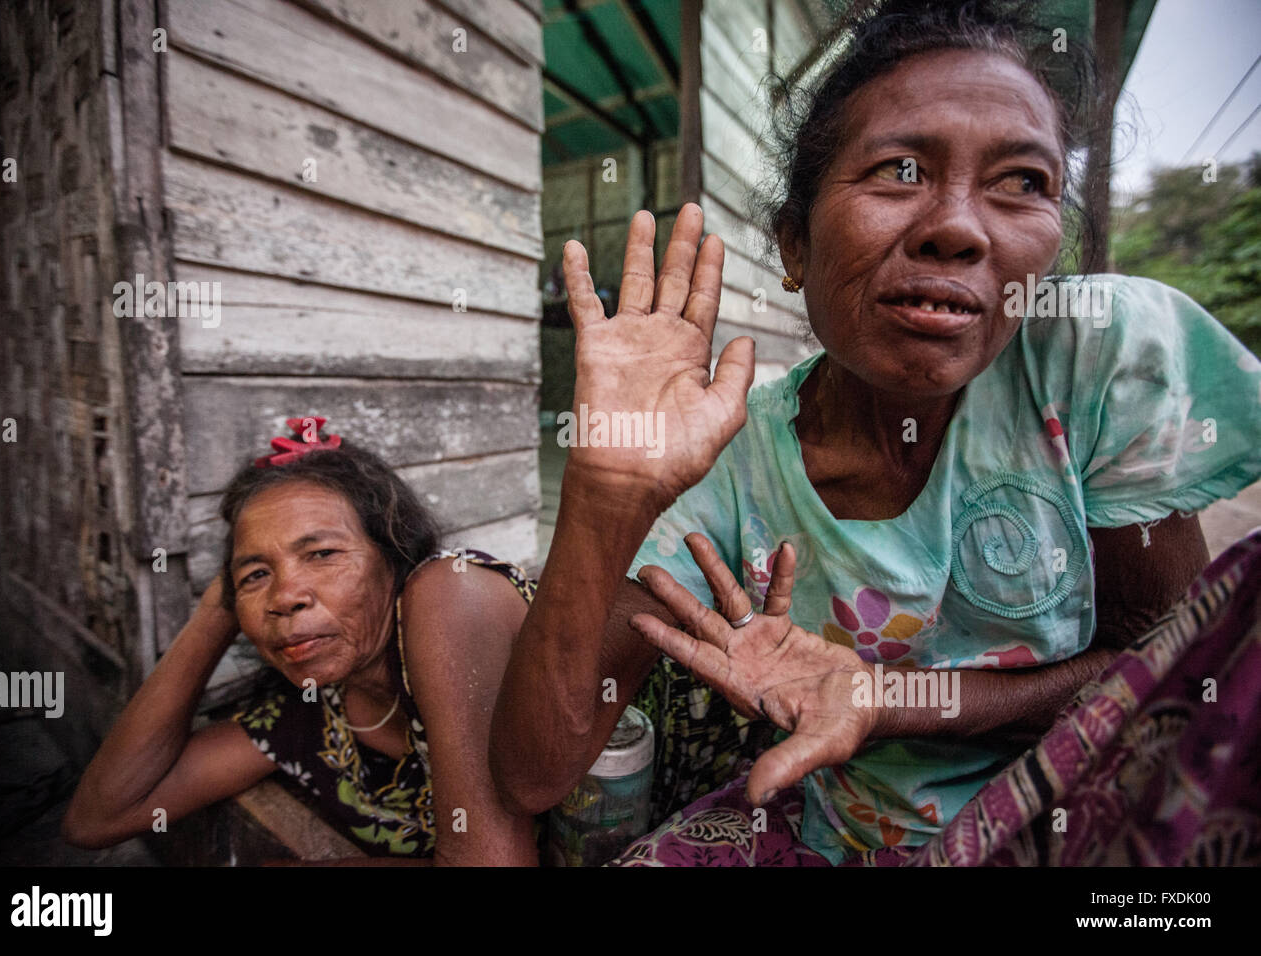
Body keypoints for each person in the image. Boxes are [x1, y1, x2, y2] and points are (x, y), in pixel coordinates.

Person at [490, 0, 1261, 865]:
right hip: (848, 840)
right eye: (899, 170)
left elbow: (1176, 677)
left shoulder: (1094, 360)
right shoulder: (725, 450)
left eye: (1021, 182)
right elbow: (533, 775)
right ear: (794, 244)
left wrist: (890, 698)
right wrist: (603, 494)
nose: (959, 228)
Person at [62, 419, 538, 865]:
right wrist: (216, 610)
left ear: (394, 557)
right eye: (257, 574)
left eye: (322, 553)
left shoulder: (452, 592)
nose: (285, 596)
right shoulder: (316, 712)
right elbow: (98, 818)